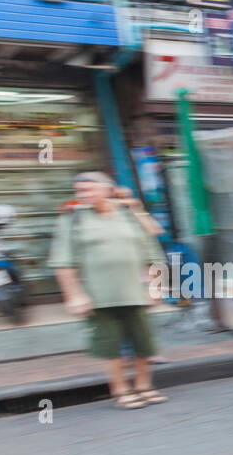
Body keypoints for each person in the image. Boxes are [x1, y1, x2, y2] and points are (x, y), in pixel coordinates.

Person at [49, 172, 168, 409]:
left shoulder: (130, 215)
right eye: (79, 191)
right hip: (98, 295)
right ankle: (121, 390)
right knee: (110, 345)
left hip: (134, 291)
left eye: (88, 190)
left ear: (108, 190)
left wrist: (156, 287)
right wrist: (74, 295)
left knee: (144, 342)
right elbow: (63, 262)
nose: (82, 195)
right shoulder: (72, 219)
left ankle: (144, 386)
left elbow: (153, 252)